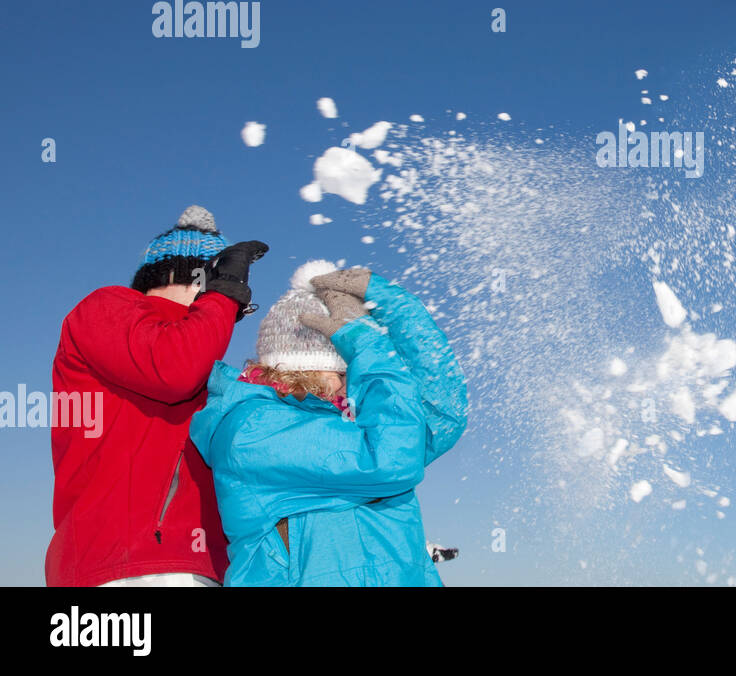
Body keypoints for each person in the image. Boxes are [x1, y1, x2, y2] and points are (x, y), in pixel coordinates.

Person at [190, 262, 468, 586]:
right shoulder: (253, 430)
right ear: (304, 368)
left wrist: (390, 303)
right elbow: (390, 460)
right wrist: (366, 343)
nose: (352, 383)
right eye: (343, 372)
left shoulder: (364, 426)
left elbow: (445, 411)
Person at [46, 206, 268, 587]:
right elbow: (174, 370)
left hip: (199, 567)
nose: (235, 316)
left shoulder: (204, 361)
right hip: (132, 567)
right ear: (202, 276)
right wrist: (222, 295)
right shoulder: (105, 310)